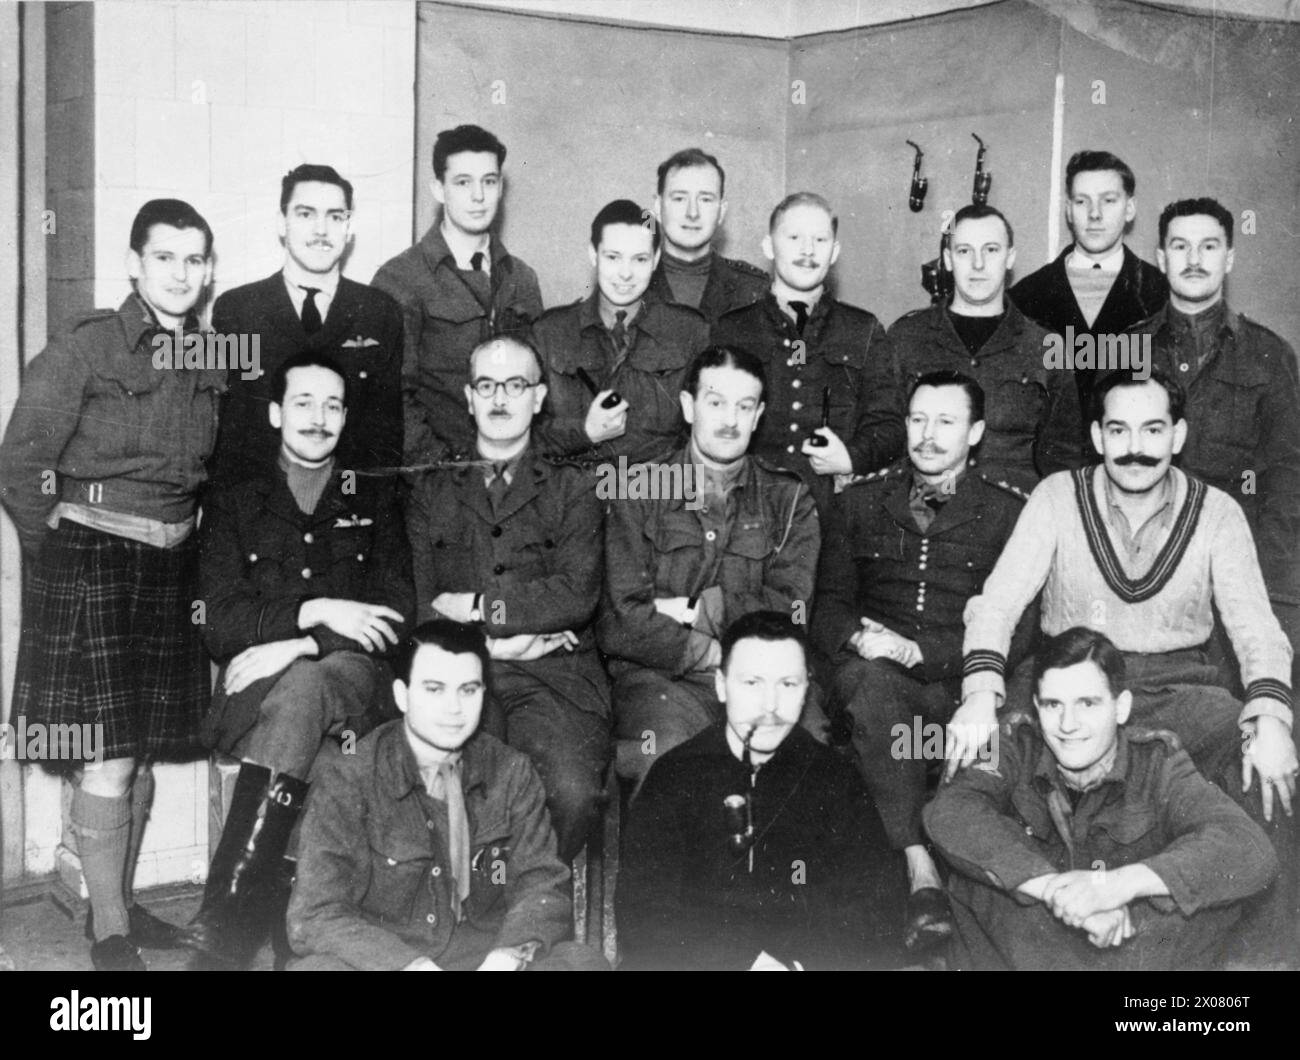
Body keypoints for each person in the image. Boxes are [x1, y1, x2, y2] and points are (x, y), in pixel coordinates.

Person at [952, 369, 1297, 962]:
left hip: (1178, 687)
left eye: (1153, 429)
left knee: (1273, 781)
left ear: (1179, 435)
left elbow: (1256, 627)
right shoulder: (1058, 495)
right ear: (1096, 434)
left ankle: (1258, 965)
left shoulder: (1217, 512)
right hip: (1066, 683)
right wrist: (980, 693)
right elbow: (999, 601)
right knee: (968, 768)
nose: (1135, 446)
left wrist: (1272, 719)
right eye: (1119, 429)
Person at [0, 199, 224, 970]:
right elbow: (23, 461)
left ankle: (117, 903)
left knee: (148, 750)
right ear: (134, 263)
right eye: (166, 257)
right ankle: (108, 932)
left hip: (173, 563)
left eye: (195, 260)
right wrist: (56, 546)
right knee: (109, 756)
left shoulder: (211, 355)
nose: (182, 274)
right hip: (92, 558)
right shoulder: (85, 348)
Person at [185, 351, 414, 968]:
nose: (319, 418)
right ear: (275, 412)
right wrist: (313, 614)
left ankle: (227, 920)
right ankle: (291, 933)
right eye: (305, 403)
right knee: (305, 717)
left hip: (353, 684)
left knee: (310, 683)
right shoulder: (235, 502)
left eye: (333, 406)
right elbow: (216, 619)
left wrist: (306, 643)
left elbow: (395, 612)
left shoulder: (373, 496)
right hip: (256, 694)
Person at [812, 370, 1031, 951]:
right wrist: (861, 640)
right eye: (917, 420)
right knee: (868, 685)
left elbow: (1024, 628)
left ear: (976, 431)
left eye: (946, 422)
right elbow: (827, 606)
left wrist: (926, 652)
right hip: (879, 685)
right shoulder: (859, 501)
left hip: (964, 686)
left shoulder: (1009, 513)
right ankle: (920, 869)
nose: (928, 436)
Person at [925, 627, 1278, 970]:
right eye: (1052, 705)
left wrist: (1115, 887)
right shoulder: (1017, 744)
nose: (1068, 724)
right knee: (976, 876)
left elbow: (1248, 847)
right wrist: (1055, 890)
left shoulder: (1158, 762)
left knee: (1204, 901)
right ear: (1036, 706)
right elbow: (951, 810)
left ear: (1121, 707)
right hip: (1035, 939)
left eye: (1087, 703)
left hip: (1123, 945)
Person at [286, 620, 606, 971]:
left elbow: (542, 885)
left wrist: (507, 956)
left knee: (582, 963)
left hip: (482, 957)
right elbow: (316, 913)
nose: (454, 708)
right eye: (434, 689)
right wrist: (409, 965)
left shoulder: (511, 771)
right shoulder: (350, 777)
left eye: (468, 690)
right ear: (401, 696)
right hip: (388, 959)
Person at [405, 335, 608, 861]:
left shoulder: (575, 488)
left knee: (572, 791)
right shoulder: (432, 488)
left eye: (515, 385)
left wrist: (477, 609)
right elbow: (420, 601)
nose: (500, 399)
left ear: (539, 398)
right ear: (468, 397)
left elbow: (574, 595)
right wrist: (495, 646)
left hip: (555, 679)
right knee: (459, 788)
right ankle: (472, 917)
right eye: (487, 386)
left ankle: (527, 910)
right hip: (462, 675)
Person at [618, 610, 906, 970]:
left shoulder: (835, 779)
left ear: (806, 689)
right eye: (752, 683)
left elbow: (876, 911)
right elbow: (644, 918)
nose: (770, 706)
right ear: (721, 686)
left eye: (787, 684)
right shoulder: (675, 777)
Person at [598, 345, 821, 783]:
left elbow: (792, 608)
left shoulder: (788, 497)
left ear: (758, 416)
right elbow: (621, 619)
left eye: (744, 407)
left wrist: (697, 610)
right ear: (688, 407)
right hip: (663, 679)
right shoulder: (638, 487)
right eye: (715, 403)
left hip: (768, 678)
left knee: (811, 762)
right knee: (666, 761)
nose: (730, 420)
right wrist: (709, 652)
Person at [1135, 197, 1300, 687]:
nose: (1193, 259)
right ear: (1161, 258)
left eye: (1208, 246)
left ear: (1228, 258)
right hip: (1145, 565)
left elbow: (1288, 476)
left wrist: (1261, 577)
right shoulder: (1128, 350)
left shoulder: (1268, 355)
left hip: (1240, 563)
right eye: (1179, 246)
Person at [209, 164, 404, 485]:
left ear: (349, 226)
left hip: (345, 509)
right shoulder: (238, 310)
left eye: (335, 216)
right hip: (255, 514)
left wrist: (353, 502)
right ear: (281, 223)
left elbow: (384, 438)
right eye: (305, 214)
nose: (321, 230)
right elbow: (228, 433)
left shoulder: (379, 312)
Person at [711, 192, 902, 511]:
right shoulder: (732, 329)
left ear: (835, 251)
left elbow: (891, 426)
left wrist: (851, 457)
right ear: (769, 247)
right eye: (794, 237)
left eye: (820, 239)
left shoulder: (863, 330)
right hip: (747, 509)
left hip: (831, 512)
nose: (807, 250)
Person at [373, 125, 543, 465]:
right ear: (439, 188)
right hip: (435, 482)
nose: (478, 196)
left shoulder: (521, 278)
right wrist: (444, 473)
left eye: (489, 181)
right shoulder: (400, 279)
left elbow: (538, 386)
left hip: (514, 479)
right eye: (463, 182)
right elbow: (391, 401)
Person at [889, 203, 1084, 492]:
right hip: (925, 513)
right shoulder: (906, 338)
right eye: (964, 251)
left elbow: (1064, 460)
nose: (978, 264)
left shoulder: (1046, 347)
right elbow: (886, 441)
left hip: (1014, 521)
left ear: (1010, 258)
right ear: (948, 259)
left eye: (991, 250)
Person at [530, 199, 709, 465]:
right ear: (593, 254)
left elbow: (702, 435)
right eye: (613, 257)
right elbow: (523, 436)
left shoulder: (688, 333)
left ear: (655, 259)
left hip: (654, 494)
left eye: (639, 259)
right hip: (569, 496)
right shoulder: (550, 333)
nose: (625, 273)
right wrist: (584, 432)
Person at [1009, 150, 1168, 423]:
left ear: (1130, 208)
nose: (1095, 214)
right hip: (1048, 459)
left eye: (1108, 200)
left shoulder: (1160, 292)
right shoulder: (1026, 295)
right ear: (1068, 210)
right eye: (1082, 201)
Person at [644, 147, 768, 323]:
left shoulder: (755, 288)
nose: (692, 213)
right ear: (657, 207)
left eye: (705, 199)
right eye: (679, 198)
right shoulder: (631, 282)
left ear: (722, 212)